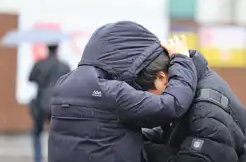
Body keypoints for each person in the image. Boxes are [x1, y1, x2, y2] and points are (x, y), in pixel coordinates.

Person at [48, 21, 197, 162]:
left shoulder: (64, 83)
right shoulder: (110, 91)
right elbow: (172, 105)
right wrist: (182, 58)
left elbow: (100, 131)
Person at [141, 50, 246, 162]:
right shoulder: (192, 85)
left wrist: (143, 149)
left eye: (147, 93)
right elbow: (175, 131)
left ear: (162, 78)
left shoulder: (205, 110)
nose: (150, 100)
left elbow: (197, 158)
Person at [29, 44, 70, 162]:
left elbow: (30, 78)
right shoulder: (63, 65)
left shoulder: (39, 64)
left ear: (47, 49)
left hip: (41, 103)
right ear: (57, 49)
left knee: (37, 133)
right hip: (57, 103)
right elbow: (70, 81)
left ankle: (38, 158)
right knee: (58, 134)